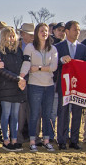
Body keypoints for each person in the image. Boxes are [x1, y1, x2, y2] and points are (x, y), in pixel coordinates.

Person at [22, 22, 59, 152]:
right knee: (34, 114)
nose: (44, 33)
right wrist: (21, 76)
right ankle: (33, 140)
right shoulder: (30, 47)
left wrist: (37, 68)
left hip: (49, 86)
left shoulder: (53, 49)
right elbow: (27, 64)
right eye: (41, 31)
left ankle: (47, 140)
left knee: (47, 114)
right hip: (34, 85)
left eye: (46, 30)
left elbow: (54, 67)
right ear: (37, 33)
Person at [0, 26, 27, 150]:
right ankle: (6, 140)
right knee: (6, 114)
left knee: (15, 116)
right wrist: (17, 79)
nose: (12, 38)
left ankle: (14, 140)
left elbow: (23, 65)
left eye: (13, 36)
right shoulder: (0, 50)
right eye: (9, 36)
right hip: (5, 87)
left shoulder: (18, 51)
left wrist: (22, 79)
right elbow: (1, 71)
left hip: (17, 88)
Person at [54, 20, 86, 150]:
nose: (77, 32)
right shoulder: (58, 47)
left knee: (77, 113)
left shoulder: (83, 48)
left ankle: (74, 140)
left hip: (78, 86)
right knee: (63, 112)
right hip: (64, 85)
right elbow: (54, 66)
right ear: (67, 31)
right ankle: (61, 140)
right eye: (75, 29)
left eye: (79, 30)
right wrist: (62, 61)